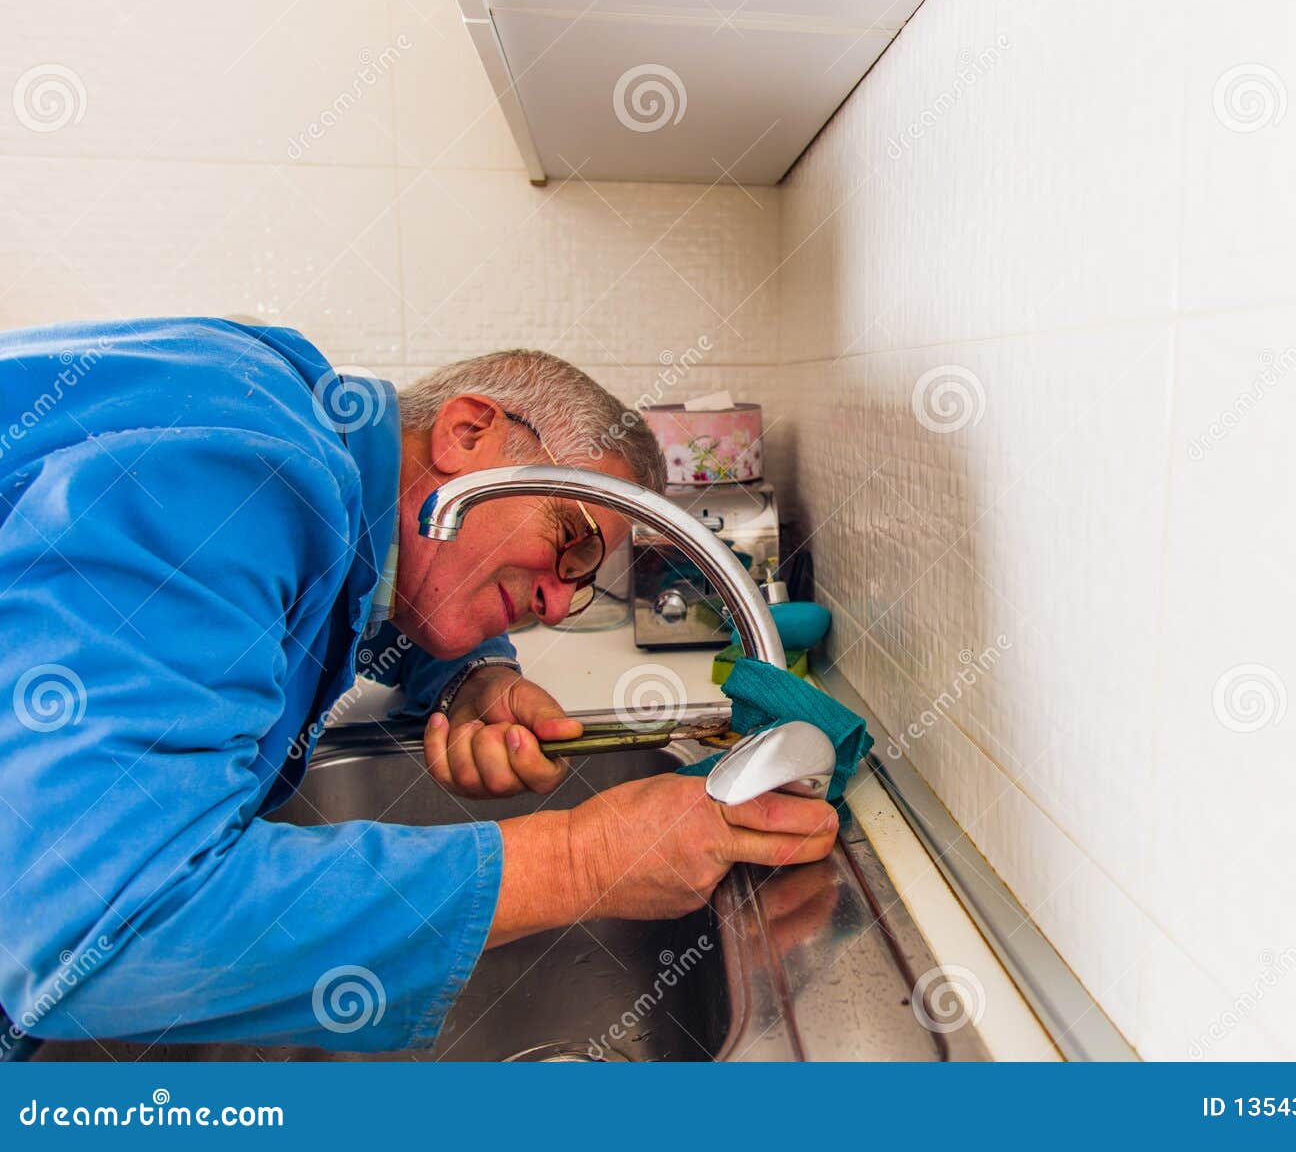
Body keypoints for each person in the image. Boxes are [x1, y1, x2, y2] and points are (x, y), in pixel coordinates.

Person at [0, 318, 836, 1054]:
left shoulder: (305, 443)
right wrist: (580, 862)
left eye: (583, 577)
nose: (555, 600)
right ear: (469, 434)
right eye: (572, 539)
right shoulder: (241, 468)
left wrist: (475, 674)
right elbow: (101, 923)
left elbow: (344, 595)